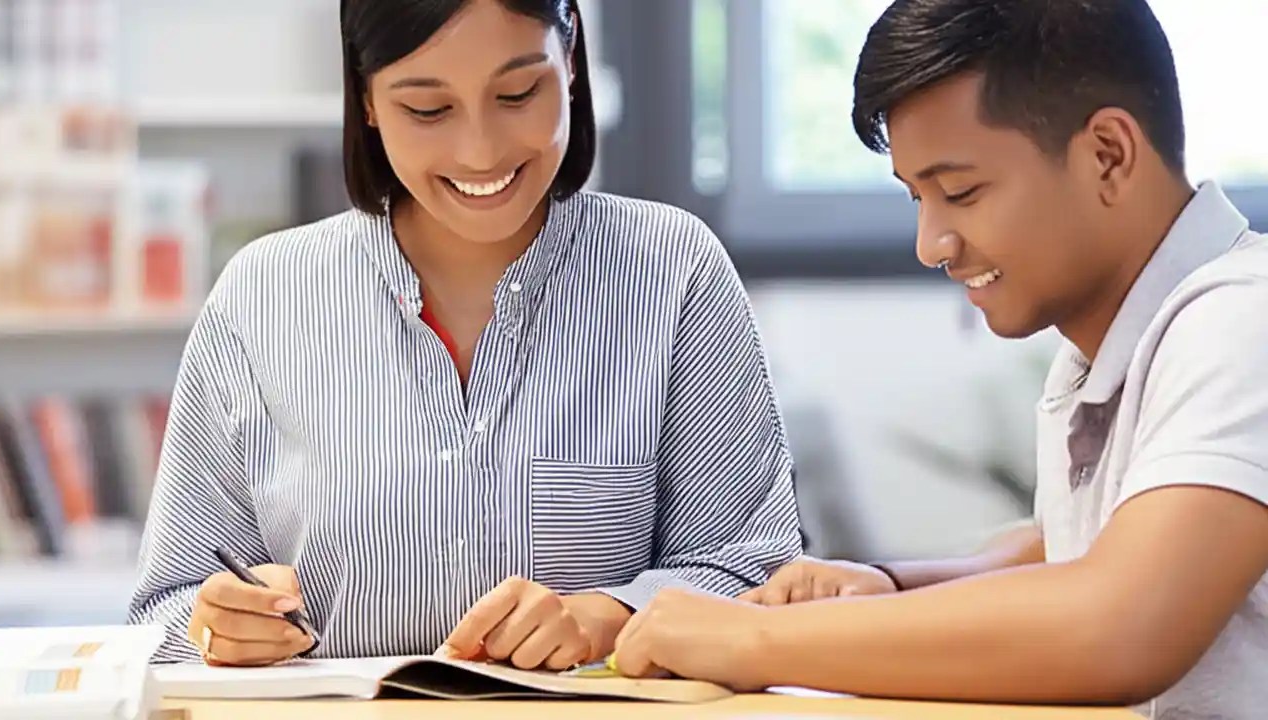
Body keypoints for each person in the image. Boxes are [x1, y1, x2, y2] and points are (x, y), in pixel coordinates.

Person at [612, 1, 1268, 717]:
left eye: (961, 192)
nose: (932, 244)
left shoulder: (1241, 319)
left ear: (1108, 154)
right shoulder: (1118, 345)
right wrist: (890, 582)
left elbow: (1123, 620)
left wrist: (760, 640)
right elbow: (1082, 551)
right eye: (918, 197)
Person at [128, 0, 800, 669]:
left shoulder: (674, 271)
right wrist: (217, 626)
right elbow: (165, 613)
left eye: (517, 93)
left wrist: (607, 616)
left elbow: (756, 572)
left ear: (569, 63)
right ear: (366, 99)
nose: (480, 151)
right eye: (427, 110)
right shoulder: (260, 296)